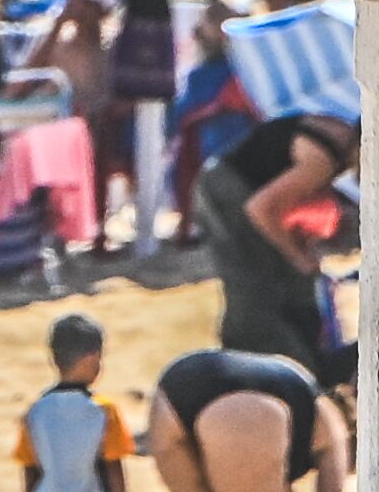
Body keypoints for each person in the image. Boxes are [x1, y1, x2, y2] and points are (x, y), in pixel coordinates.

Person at [200, 107, 354, 381]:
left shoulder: (339, 133)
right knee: (254, 290)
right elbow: (260, 209)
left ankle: (304, 361)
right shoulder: (322, 159)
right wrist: (297, 256)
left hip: (244, 191)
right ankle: (261, 369)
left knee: (292, 284)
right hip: (226, 191)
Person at [143, 348, 346, 492]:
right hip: (255, 405)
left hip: (175, 386)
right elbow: (333, 483)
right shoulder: (334, 433)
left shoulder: (321, 411)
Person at [16, 312, 133, 492]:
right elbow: (113, 468)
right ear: (92, 358)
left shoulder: (35, 412)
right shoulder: (104, 410)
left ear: (54, 359)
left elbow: (30, 470)